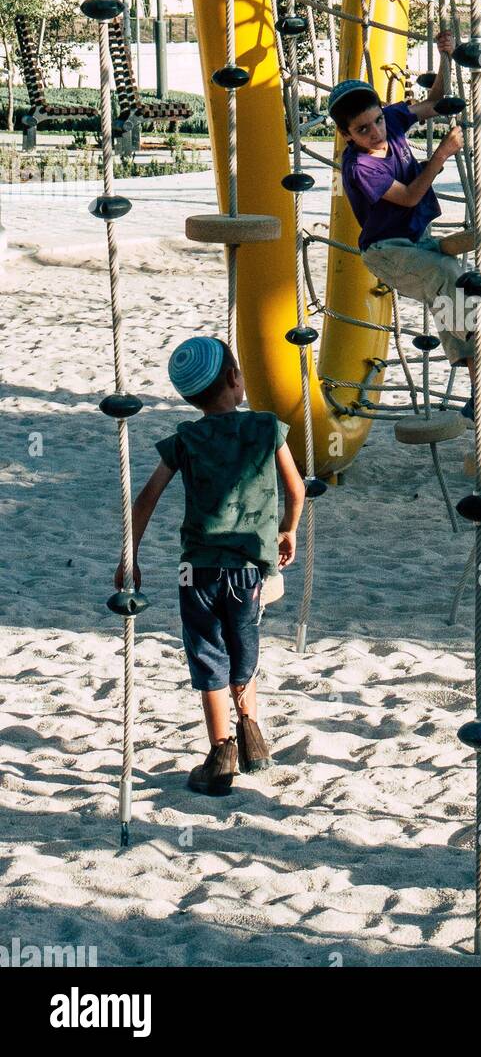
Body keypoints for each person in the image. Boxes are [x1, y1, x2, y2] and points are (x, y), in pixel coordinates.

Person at [115, 337, 305, 796]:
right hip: (250, 572)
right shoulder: (266, 428)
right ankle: (252, 735)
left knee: (208, 656)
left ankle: (221, 753)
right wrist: (287, 529)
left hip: (196, 573)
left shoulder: (185, 439)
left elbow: (145, 499)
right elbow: (296, 488)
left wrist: (130, 556)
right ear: (236, 380)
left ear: (189, 397)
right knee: (245, 648)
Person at [330, 31, 481, 449]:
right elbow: (408, 197)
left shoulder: (391, 121)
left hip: (417, 239)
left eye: (377, 121)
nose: (375, 133)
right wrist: (441, 155)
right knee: (447, 275)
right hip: (386, 252)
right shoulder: (360, 168)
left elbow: (438, 99)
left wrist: (445, 57)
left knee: (458, 297)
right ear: (347, 136)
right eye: (362, 130)